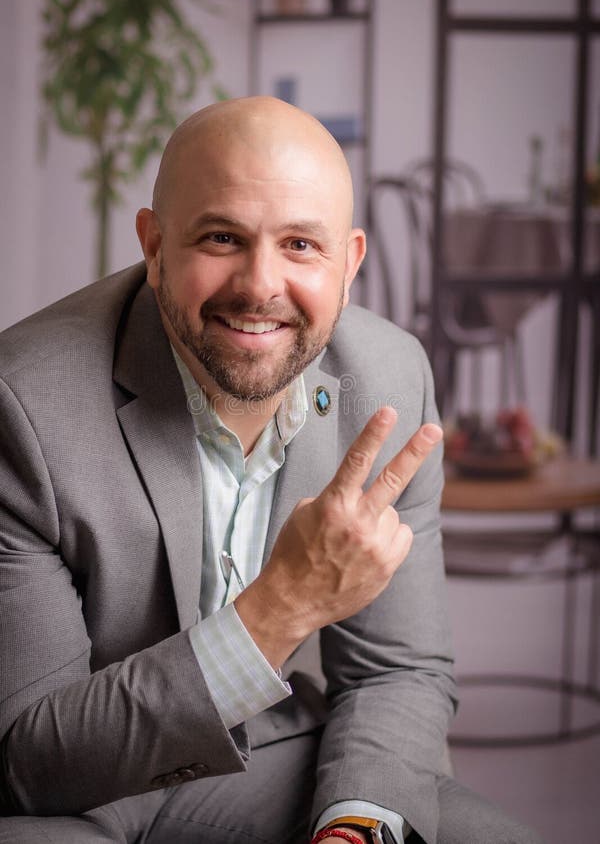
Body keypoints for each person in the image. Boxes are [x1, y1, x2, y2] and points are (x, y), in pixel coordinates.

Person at [0, 97, 542, 844]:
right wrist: (281, 608)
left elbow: (397, 672)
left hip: (278, 762)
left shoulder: (388, 380)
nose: (259, 286)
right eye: (223, 237)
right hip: (69, 799)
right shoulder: (22, 405)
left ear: (348, 264)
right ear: (154, 246)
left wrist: (352, 826)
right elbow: (29, 755)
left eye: (299, 246)